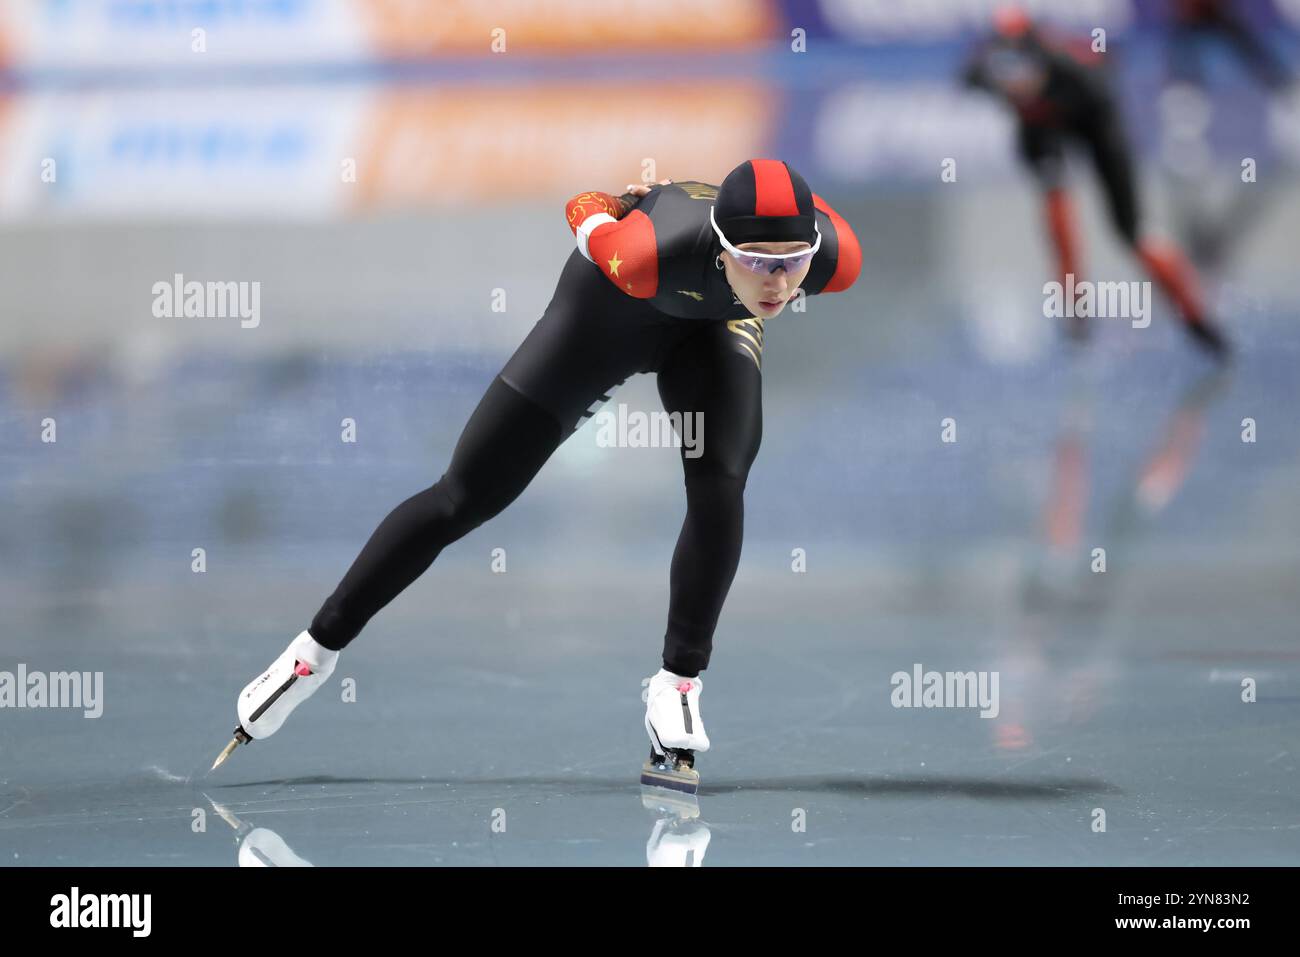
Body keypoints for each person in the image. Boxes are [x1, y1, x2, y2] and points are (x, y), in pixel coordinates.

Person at [213, 159, 862, 792]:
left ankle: (678, 684)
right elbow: (580, 205)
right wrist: (626, 201)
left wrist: (761, 260)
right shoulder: (641, 253)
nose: (777, 282)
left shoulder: (836, 257)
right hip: (607, 315)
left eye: (791, 261)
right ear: (721, 248)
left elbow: (791, 246)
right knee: (463, 497)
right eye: (755, 259)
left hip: (713, 328)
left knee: (721, 476)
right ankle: (312, 652)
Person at [963, 6, 1230, 356]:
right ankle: (1074, 305)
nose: (1016, 75)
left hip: (1096, 125)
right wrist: (1017, 99)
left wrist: (1035, 99)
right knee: (1054, 198)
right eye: (1006, 58)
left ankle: (1193, 313)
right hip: (1044, 129)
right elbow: (969, 79)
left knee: (1132, 230)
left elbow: (1103, 80)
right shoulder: (989, 66)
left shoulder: (1071, 70)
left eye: (1022, 58)